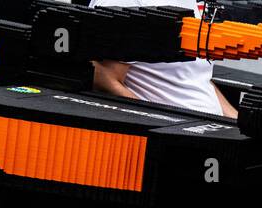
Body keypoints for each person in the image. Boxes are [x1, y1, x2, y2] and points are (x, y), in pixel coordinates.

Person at [89, 0, 237, 119]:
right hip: (168, 136)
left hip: (210, 131)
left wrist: (235, 122)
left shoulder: (190, 3)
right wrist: (156, 120)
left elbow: (195, 77)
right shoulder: (128, 2)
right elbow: (103, 77)